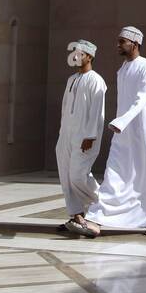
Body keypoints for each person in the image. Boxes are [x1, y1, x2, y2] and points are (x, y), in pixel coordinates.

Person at [68, 26, 146, 237]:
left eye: (122, 41)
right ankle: (96, 218)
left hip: (144, 131)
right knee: (113, 174)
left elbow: (142, 98)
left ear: (135, 43)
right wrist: (120, 124)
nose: (118, 45)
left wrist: (122, 121)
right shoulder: (122, 69)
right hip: (122, 133)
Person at [55, 40, 107, 232]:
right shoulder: (71, 79)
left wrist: (90, 136)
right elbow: (64, 108)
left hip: (85, 137)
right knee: (66, 177)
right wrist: (62, 134)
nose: (76, 57)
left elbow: (97, 112)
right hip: (66, 136)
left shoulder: (96, 80)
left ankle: (104, 204)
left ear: (90, 56)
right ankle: (76, 215)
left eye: (80, 54)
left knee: (78, 176)